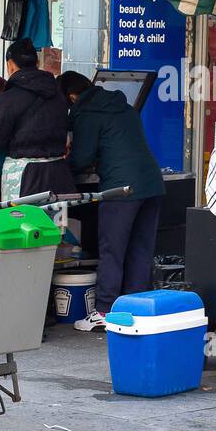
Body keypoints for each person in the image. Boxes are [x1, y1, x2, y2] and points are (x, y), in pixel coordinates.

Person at [57, 70, 166, 331]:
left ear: (72, 96)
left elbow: (82, 158)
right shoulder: (124, 107)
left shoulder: (86, 113)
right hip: (151, 183)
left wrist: (62, 167)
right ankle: (135, 311)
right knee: (140, 251)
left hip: (121, 189)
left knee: (112, 251)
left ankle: (104, 311)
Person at [0, 38, 75, 200]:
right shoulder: (57, 93)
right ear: (36, 63)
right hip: (59, 175)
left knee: (22, 224)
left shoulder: (11, 96)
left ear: (11, 65)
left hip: (26, 179)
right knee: (54, 224)